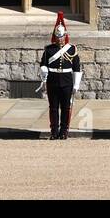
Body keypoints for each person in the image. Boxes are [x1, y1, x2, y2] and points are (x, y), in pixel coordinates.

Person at [39, 12, 81, 140]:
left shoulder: (72, 50)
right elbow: (43, 64)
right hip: (53, 81)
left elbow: (76, 68)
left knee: (66, 107)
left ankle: (63, 131)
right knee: (53, 108)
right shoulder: (49, 50)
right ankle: (54, 131)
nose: (60, 39)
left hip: (67, 82)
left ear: (65, 36)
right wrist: (44, 71)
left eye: (62, 36)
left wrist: (76, 84)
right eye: (57, 37)